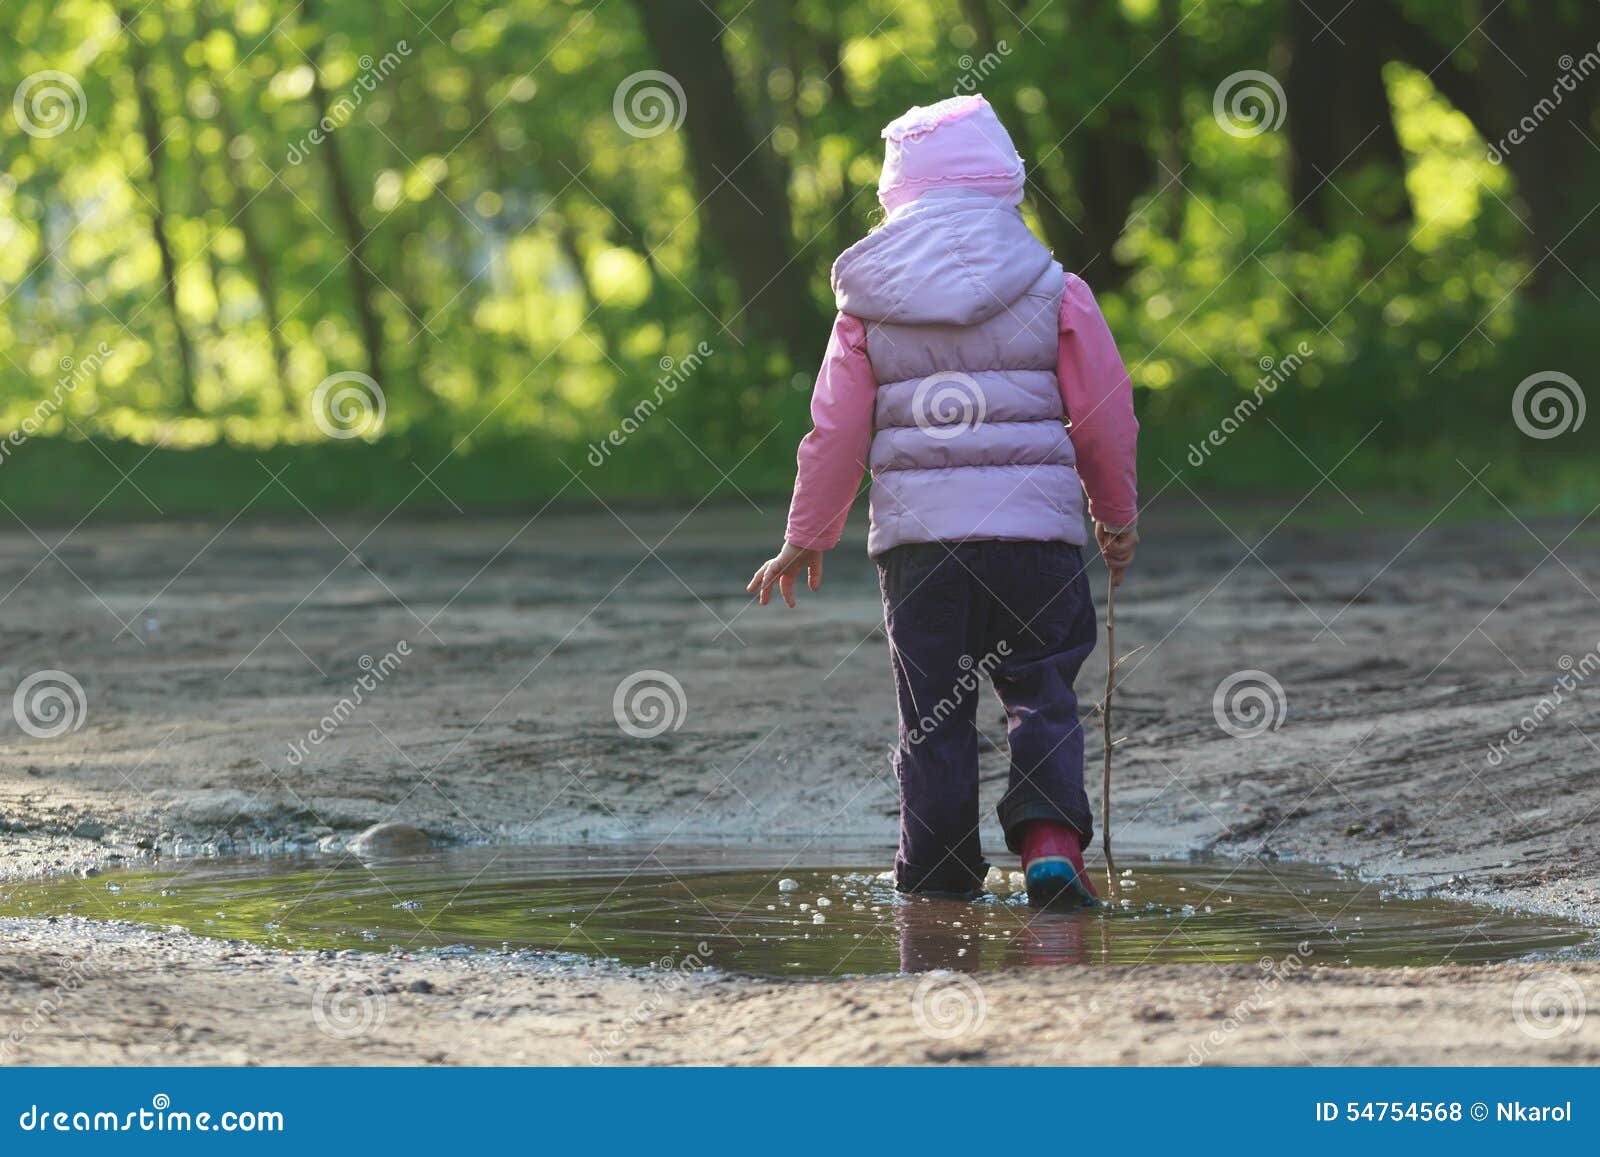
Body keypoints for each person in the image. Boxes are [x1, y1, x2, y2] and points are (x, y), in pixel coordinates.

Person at [747, 94, 1138, 909]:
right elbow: (1105, 419)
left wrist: (807, 534)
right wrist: (1116, 514)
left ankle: (935, 885)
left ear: (897, 196)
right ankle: (1050, 847)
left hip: (921, 549)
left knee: (931, 716)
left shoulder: (865, 303)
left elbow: (834, 428)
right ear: (1005, 187)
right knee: (1042, 689)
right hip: (1038, 541)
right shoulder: (1056, 287)